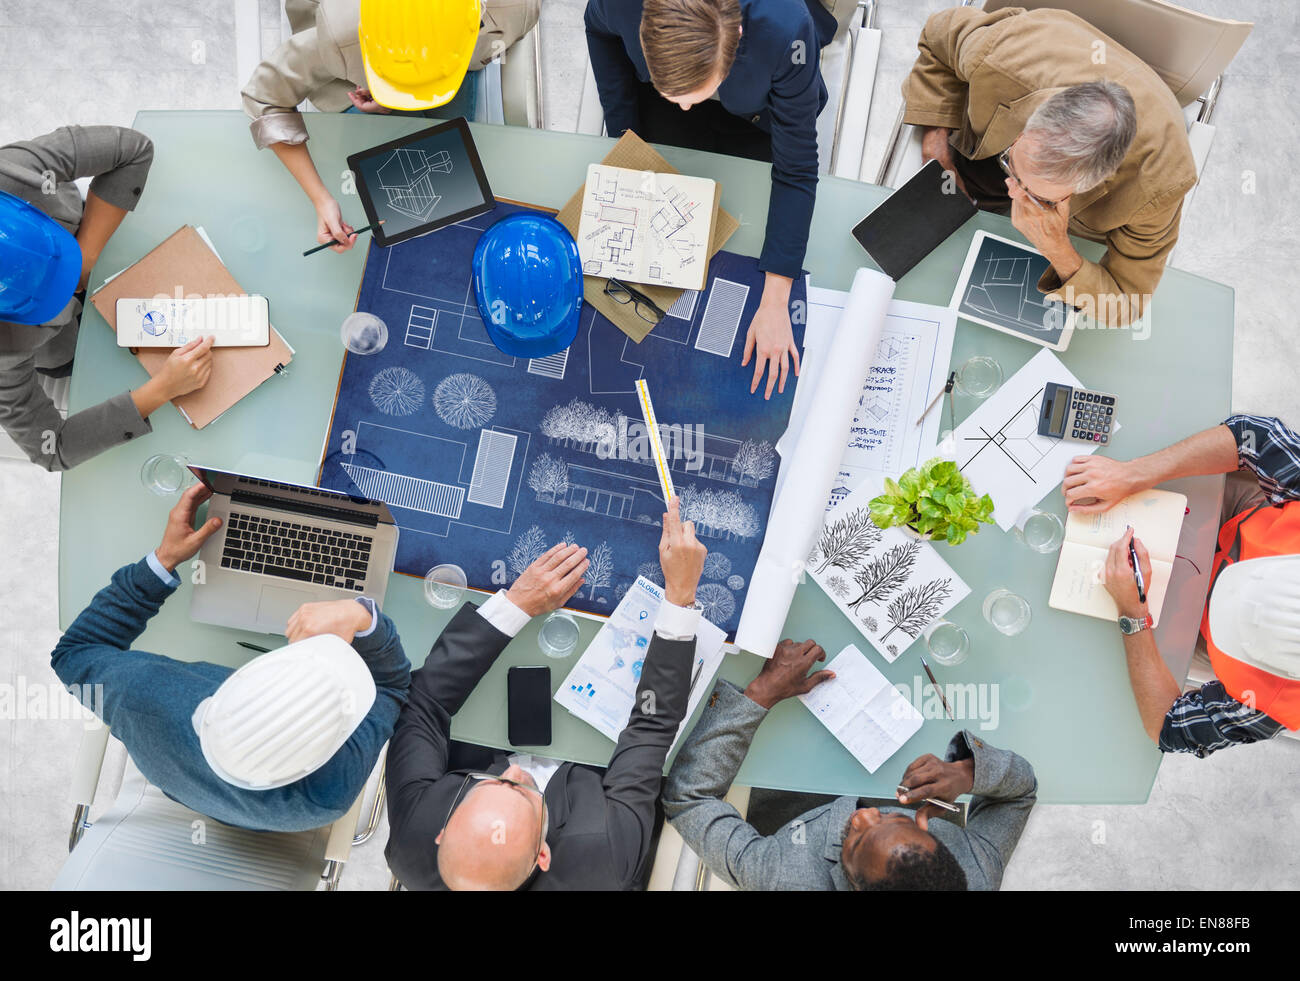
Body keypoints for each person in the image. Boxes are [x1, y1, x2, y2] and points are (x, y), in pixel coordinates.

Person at [385, 497, 708, 890]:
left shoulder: (413, 837)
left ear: (442, 833)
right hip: (602, 757)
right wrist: (679, 598)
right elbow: (652, 725)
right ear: (543, 855)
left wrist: (516, 605)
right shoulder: (603, 858)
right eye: (521, 792)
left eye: (492, 784)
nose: (513, 770)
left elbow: (423, 703)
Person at [50, 483, 411, 832]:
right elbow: (392, 686)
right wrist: (362, 618)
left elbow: (75, 651)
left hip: (193, 787)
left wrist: (165, 558)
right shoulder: (328, 795)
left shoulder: (142, 698)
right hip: (221, 804)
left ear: (211, 702)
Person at [584, 0, 836, 400]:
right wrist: (625, 137)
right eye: (677, 94)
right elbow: (597, 28)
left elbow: (797, 170)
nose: (684, 105)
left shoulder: (785, 28)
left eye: (694, 94)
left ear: (736, 37)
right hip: (662, 100)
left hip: (760, 113)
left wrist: (776, 299)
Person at [901, 5, 1197, 326]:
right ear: (1030, 125)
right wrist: (936, 147)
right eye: (1013, 166)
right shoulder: (1003, 54)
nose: (1015, 196)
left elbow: (1127, 303)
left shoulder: (1159, 186)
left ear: (1094, 182)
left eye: (1041, 198)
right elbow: (936, 39)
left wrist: (1057, 250)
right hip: (984, 153)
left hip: (1070, 237)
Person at [663, 638, 1038, 890]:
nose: (862, 817)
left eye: (855, 843)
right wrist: (966, 773)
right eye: (894, 820)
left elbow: (689, 799)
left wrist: (760, 694)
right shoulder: (976, 872)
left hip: (791, 771)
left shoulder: (781, 876)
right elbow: (1020, 793)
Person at [1068, 415, 1300, 756]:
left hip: (1192, 631)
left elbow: (1168, 727)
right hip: (1234, 516)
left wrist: (1133, 615)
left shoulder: (1274, 706)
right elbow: (1253, 437)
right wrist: (1133, 474)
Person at [241, 0, 539, 254]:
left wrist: (396, 94)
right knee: (397, 203)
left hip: (451, 56)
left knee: (453, 191)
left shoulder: (513, 9)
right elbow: (264, 98)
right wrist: (322, 200)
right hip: (349, 49)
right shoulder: (342, 32)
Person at [0, 125, 215, 471]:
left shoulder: (16, 171)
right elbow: (53, 449)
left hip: (112, 244)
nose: (69, 291)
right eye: (50, 298)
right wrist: (161, 390)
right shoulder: (4, 357)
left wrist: (86, 256)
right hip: (69, 349)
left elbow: (132, 150)